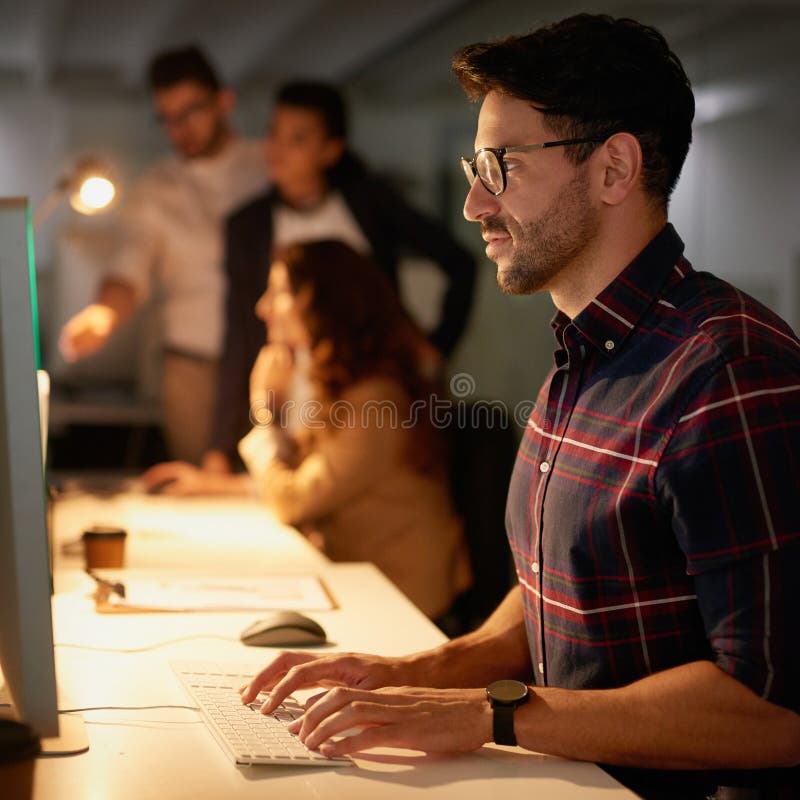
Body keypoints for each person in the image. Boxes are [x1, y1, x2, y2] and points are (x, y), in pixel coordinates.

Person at [237, 15, 800, 800]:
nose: (473, 203)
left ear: (613, 170)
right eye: (477, 165)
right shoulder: (587, 351)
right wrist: (413, 673)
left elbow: (774, 712)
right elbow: (558, 592)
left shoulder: (728, 369)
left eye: (500, 166)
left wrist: (488, 715)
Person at [143, 240, 471, 621]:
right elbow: (309, 480)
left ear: (321, 300)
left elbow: (294, 501)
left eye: (279, 292)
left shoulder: (374, 399)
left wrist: (264, 413)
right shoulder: (349, 383)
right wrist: (214, 484)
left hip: (403, 602)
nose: (262, 308)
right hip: (365, 584)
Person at [203, 80, 477, 472]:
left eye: (296, 139)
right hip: (289, 390)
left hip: (367, 394)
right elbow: (240, 334)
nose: (277, 150)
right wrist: (220, 446)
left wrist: (436, 347)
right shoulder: (248, 226)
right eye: (273, 134)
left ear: (331, 150)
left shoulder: (367, 203)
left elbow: (460, 261)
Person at [58, 45, 266, 464]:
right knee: (198, 482)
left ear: (223, 101)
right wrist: (104, 313)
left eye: (190, 112)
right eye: (168, 119)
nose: (179, 130)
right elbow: (129, 268)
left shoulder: (267, 167)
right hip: (193, 368)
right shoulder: (155, 192)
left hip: (268, 360)